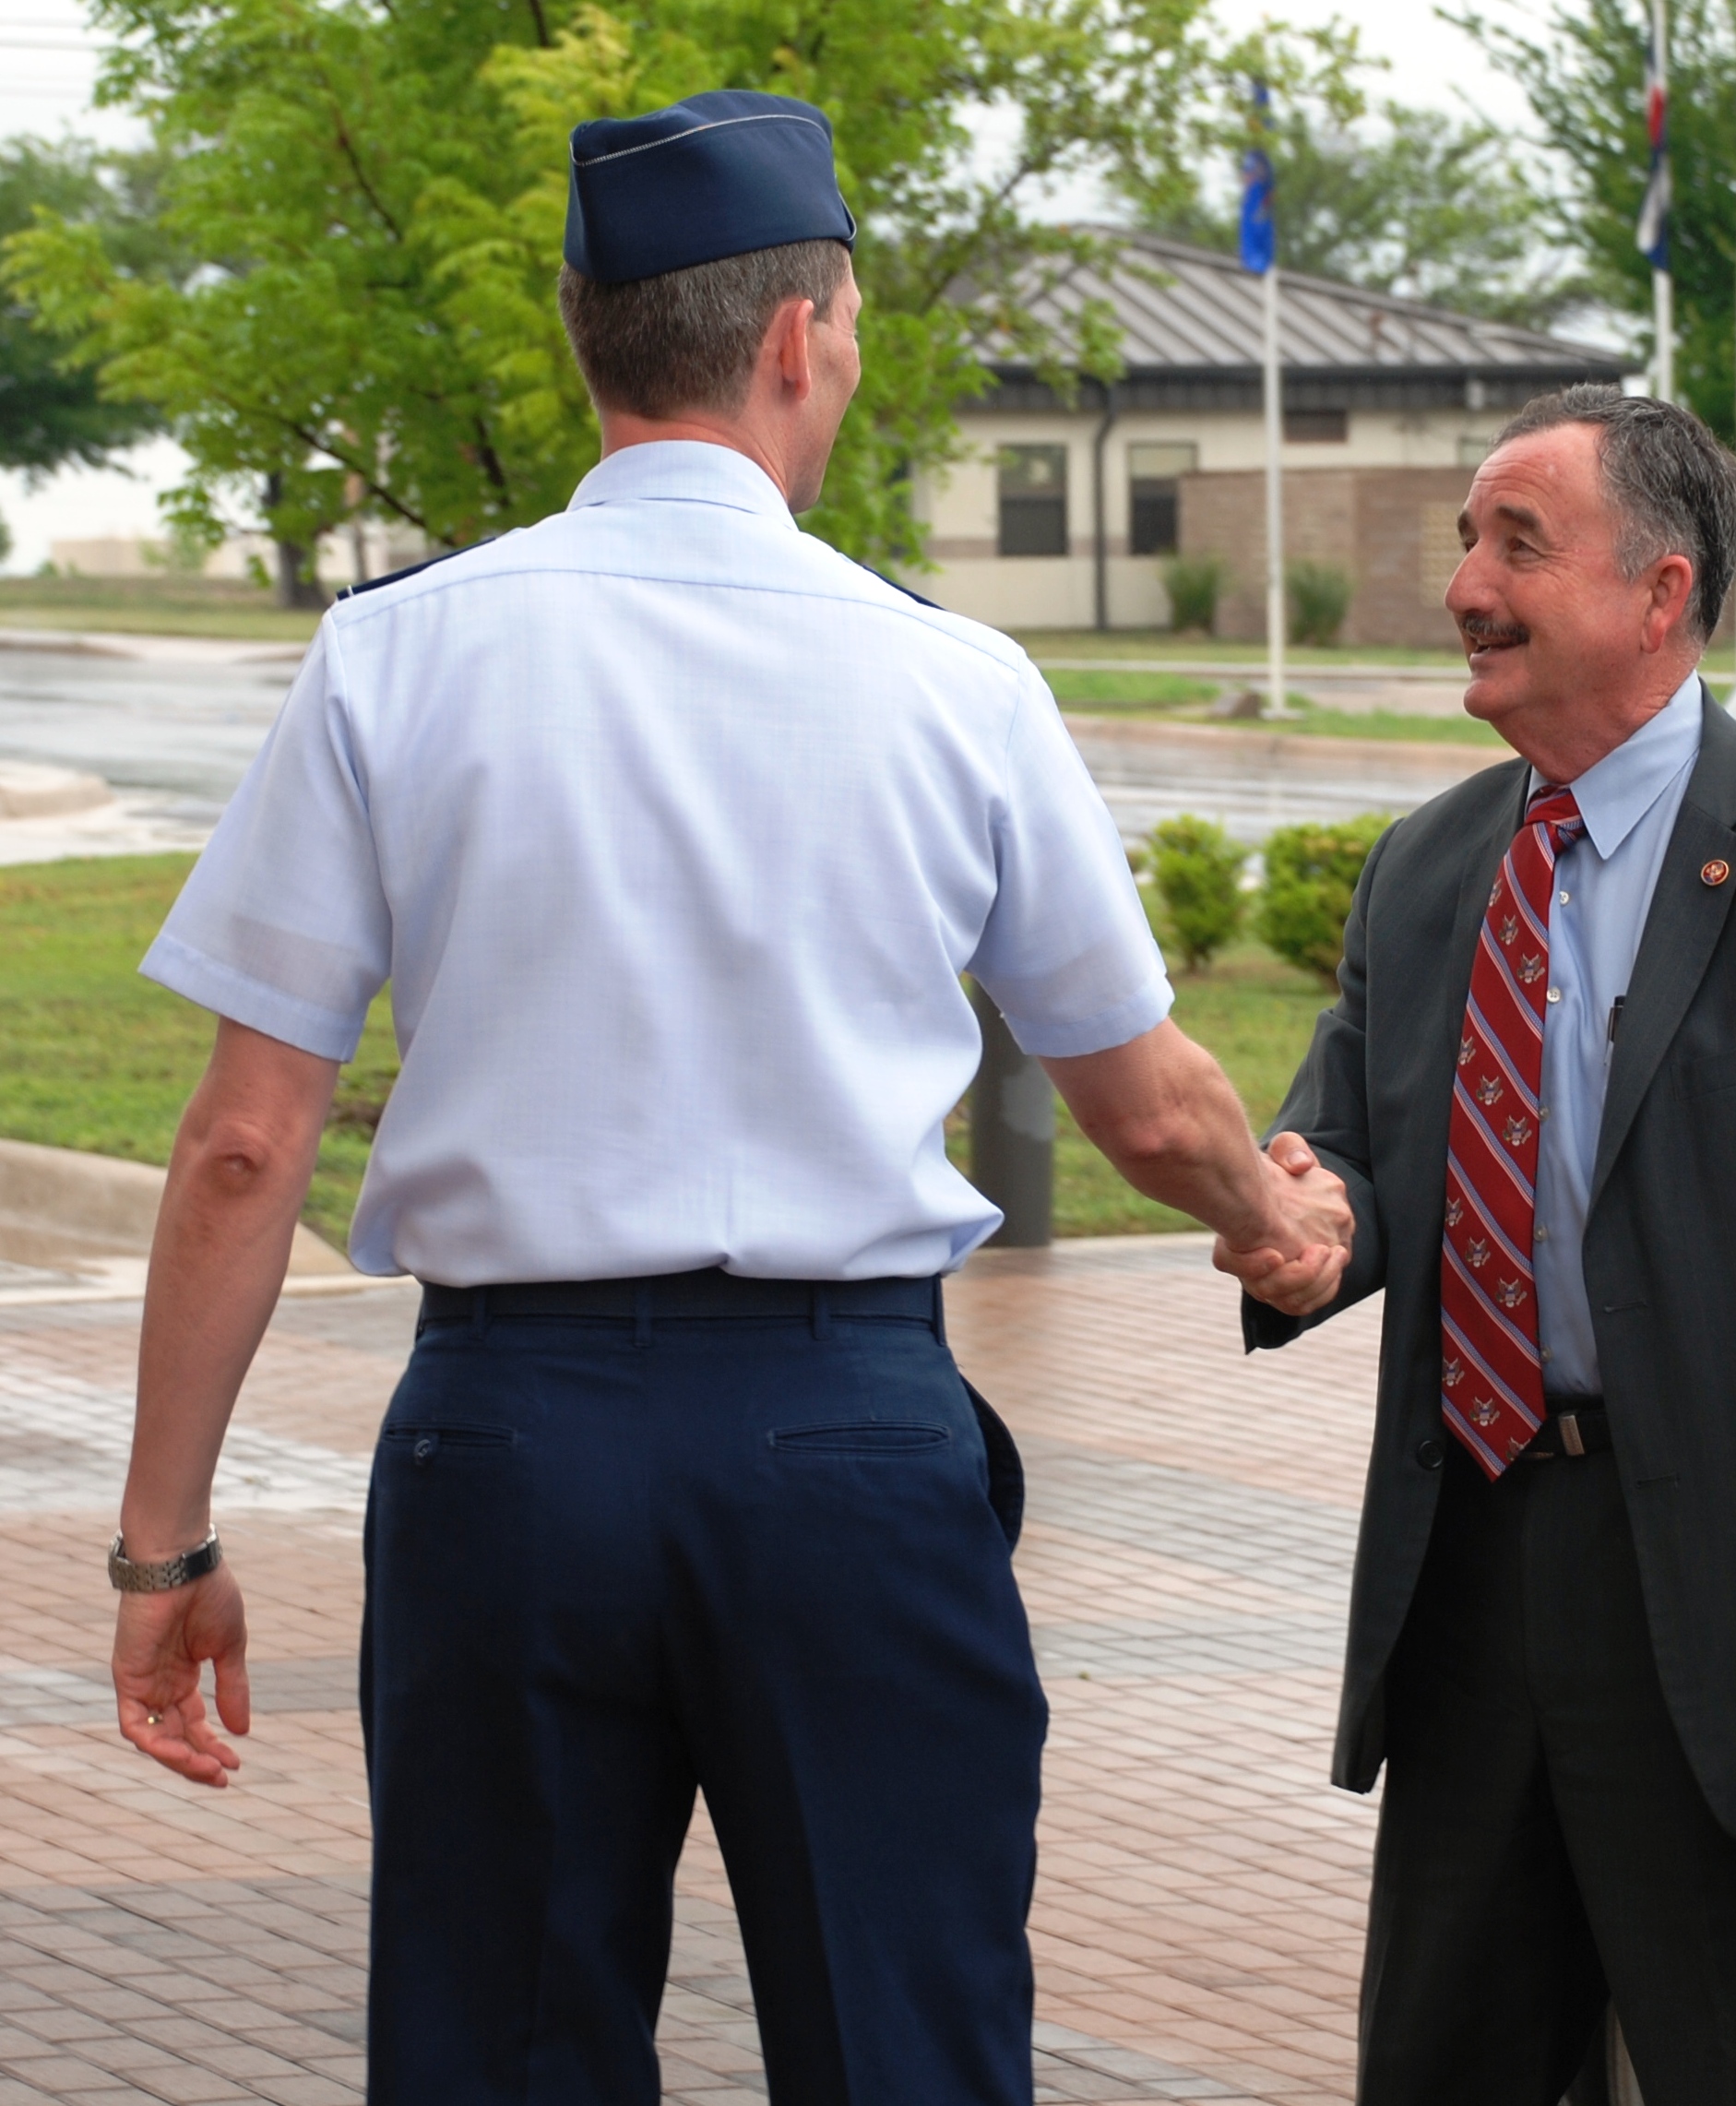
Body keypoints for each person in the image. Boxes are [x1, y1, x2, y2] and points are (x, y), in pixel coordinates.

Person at [105, 89, 1349, 2106]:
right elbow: (1142, 1097)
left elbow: (244, 1139)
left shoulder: (388, 659)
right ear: (801, 337)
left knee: (498, 2048)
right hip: (845, 1440)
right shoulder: (950, 678)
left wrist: (161, 1549)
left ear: (590, 338)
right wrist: (1272, 1220)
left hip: (501, 1444)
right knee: (902, 2041)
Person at [1218, 386, 1736, 2106]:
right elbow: (1359, 1161)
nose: (1465, 582)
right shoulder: (1426, 869)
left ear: (1661, 594)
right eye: (1467, 538)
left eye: (1517, 542)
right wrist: (1308, 1228)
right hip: (1474, 1594)